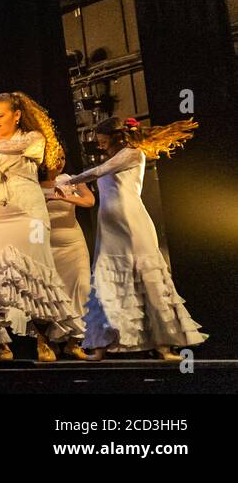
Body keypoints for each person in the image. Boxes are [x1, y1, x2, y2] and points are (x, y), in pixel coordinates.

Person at [57, 116, 207, 361]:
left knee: (146, 279)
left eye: (103, 140)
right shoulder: (117, 156)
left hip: (130, 223)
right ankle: (100, 347)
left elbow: (99, 171)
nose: (100, 145)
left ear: (116, 137)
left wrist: (67, 181)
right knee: (107, 282)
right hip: (109, 226)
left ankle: (163, 346)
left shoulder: (132, 154)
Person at [0, 91, 82, 362]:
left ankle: (43, 339)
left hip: (26, 216)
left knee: (34, 276)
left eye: (0, 115)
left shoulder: (32, 138)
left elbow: (21, 150)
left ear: (17, 114)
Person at [42, 158, 96, 359]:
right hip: (45, 243)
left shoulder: (71, 180)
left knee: (82, 287)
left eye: (63, 158)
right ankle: (50, 342)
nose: (60, 163)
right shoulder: (31, 182)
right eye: (55, 159)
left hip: (72, 243)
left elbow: (89, 201)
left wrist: (64, 198)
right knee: (50, 294)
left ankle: (75, 341)